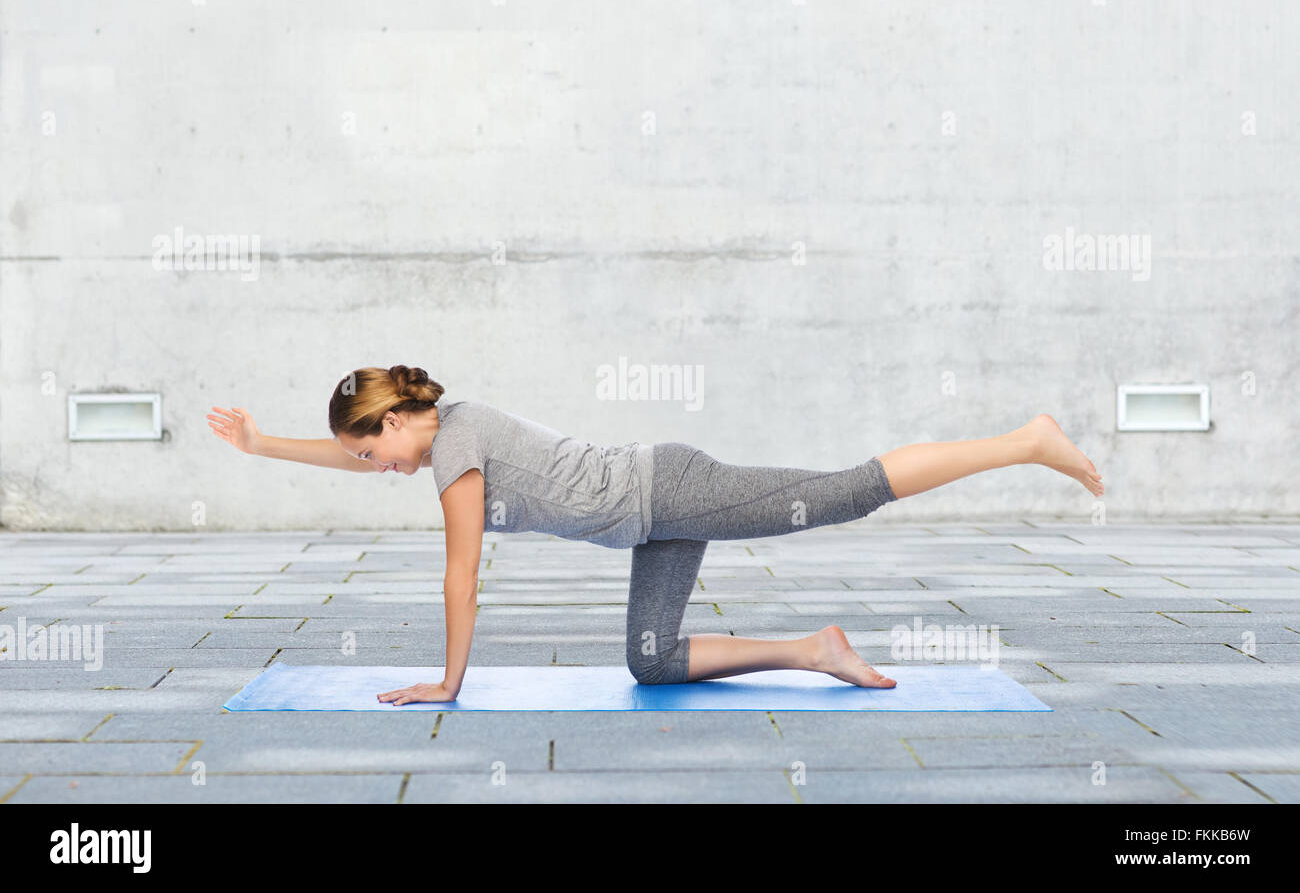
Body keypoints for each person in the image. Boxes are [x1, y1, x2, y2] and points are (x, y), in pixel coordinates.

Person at [207, 364, 1103, 705]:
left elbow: (460, 575)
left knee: (841, 494)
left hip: (670, 490)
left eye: (378, 451)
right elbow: (348, 458)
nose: (379, 469)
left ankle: (1025, 440)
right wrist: (260, 446)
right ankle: (817, 649)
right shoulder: (441, 437)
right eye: (369, 462)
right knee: (651, 659)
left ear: (404, 415)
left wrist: (448, 683)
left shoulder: (457, 449)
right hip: (648, 521)